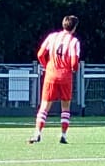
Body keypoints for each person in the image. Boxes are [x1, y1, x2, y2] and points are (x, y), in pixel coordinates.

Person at [30, 15, 82, 144]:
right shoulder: (74, 41)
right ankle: (63, 135)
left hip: (51, 74)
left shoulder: (52, 37)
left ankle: (37, 134)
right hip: (65, 76)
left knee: (44, 106)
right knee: (65, 107)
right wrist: (73, 69)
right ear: (74, 27)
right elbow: (74, 62)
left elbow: (40, 54)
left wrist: (46, 65)